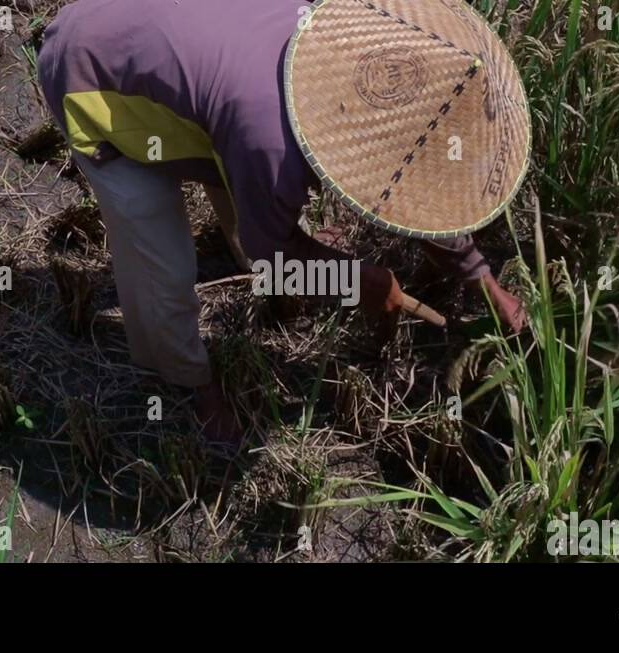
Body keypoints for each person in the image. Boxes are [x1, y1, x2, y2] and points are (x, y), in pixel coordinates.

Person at [37, 0, 528, 445]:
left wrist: (481, 277)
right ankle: (187, 378)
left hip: (169, 52)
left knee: (238, 168)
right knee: (159, 264)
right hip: (88, 77)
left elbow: (412, 191)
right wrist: (359, 282)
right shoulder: (271, 144)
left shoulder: (342, 55)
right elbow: (271, 261)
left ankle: (257, 219)